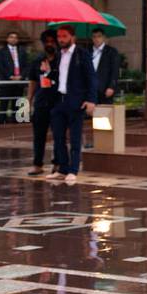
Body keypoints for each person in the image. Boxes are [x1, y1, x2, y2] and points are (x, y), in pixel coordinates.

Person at [47, 25, 97, 185]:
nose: (61, 39)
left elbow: (91, 78)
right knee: (58, 137)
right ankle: (62, 168)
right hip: (58, 101)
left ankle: (73, 170)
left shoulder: (82, 54)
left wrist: (91, 100)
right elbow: (57, 76)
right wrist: (48, 71)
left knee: (75, 137)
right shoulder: (57, 55)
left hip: (76, 101)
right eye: (59, 36)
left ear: (72, 37)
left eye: (64, 36)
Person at [27, 29, 59, 176]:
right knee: (39, 135)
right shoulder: (37, 60)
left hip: (57, 101)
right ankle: (37, 164)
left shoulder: (62, 60)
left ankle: (58, 163)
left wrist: (50, 72)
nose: (49, 44)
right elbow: (33, 81)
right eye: (47, 42)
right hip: (41, 102)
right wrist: (29, 100)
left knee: (59, 134)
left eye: (52, 41)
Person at [0, 31, 26, 122]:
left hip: (19, 82)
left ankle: (15, 122)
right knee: (4, 103)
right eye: (11, 37)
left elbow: (26, 66)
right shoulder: (2, 52)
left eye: (15, 37)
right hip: (6, 82)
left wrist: (21, 76)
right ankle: (1, 122)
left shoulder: (22, 51)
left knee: (17, 103)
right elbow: (0, 66)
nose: (13, 39)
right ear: (7, 39)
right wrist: (10, 76)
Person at [90, 28, 120, 105]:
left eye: (99, 36)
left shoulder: (111, 51)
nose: (96, 39)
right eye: (94, 36)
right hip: (91, 89)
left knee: (104, 114)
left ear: (104, 37)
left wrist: (111, 87)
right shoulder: (88, 51)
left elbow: (115, 70)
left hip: (105, 89)